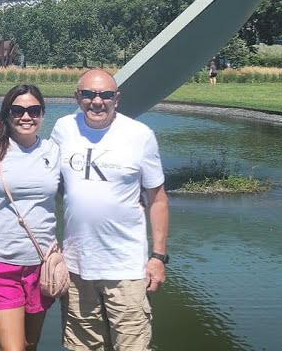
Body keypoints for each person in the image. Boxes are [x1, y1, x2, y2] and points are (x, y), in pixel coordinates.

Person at [51, 69, 167, 351]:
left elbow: (158, 199)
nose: (97, 101)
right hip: (77, 266)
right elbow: (44, 179)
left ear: (117, 98)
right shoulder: (63, 129)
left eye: (105, 95)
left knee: (132, 346)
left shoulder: (139, 135)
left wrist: (158, 257)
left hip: (126, 268)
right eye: (89, 94)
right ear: (77, 97)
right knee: (81, 346)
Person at [0, 84, 62, 351]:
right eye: (17, 110)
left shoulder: (55, 152)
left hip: (42, 266)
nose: (26, 116)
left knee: (30, 344)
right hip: (0, 265)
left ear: (42, 114)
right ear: (7, 114)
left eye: (33, 110)